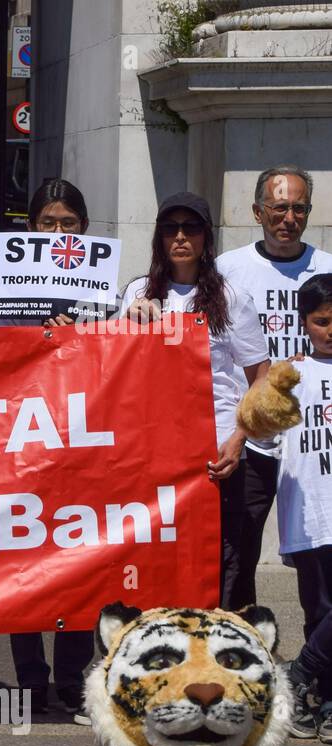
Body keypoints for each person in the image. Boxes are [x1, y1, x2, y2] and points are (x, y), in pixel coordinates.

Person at [0, 178, 101, 721]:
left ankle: (75, 678)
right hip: (23, 446)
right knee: (23, 566)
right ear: (30, 229)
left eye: (68, 224)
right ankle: (30, 679)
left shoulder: (103, 290)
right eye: (47, 223)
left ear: (83, 229)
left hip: (81, 447)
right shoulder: (6, 295)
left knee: (77, 564)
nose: (57, 233)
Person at [121, 192, 268, 613]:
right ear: (158, 238)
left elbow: (260, 377)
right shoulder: (137, 291)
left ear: (207, 237)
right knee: (159, 556)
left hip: (215, 452)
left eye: (192, 227)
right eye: (171, 228)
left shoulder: (232, 297)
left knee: (220, 559)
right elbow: (114, 371)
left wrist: (239, 440)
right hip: (154, 452)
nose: (181, 237)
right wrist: (128, 322)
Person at [217, 166, 332, 612]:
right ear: (257, 211)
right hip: (253, 438)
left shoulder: (326, 268)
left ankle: (317, 665)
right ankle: (242, 645)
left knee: (318, 556)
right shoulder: (228, 269)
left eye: (299, 208)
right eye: (278, 207)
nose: (289, 217)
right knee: (239, 552)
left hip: (313, 437)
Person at [252, 275, 332, 738]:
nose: (330, 330)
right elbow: (260, 432)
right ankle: (320, 702)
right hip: (310, 514)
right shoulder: (291, 377)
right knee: (320, 611)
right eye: (321, 322)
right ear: (304, 324)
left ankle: (299, 674)